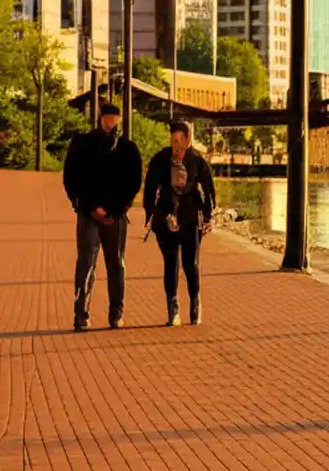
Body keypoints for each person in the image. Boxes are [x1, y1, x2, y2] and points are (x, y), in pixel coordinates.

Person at [63, 103, 143, 331]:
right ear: (100, 118)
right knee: (86, 263)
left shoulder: (128, 149)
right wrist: (88, 207)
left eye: (114, 118)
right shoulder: (82, 144)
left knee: (116, 264)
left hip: (115, 216)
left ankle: (116, 313)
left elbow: (134, 182)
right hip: (88, 214)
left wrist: (117, 210)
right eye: (107, 117)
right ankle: (81, 314)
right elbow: (72, 178)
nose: (111, 122)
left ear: (119, 119)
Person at [143, 120, 216, 326]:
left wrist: (209, 217)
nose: (176, 144)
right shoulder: (160, 160)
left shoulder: (198, 163)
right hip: (166, 218)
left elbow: (209, 191)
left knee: (191, 264)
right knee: (171, 263)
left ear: (188, 139)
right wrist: (150, 215)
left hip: (191, 218)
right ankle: (172, 305)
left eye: (179, 139)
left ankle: (195, 301)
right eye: (173, 139)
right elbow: (150, 188)